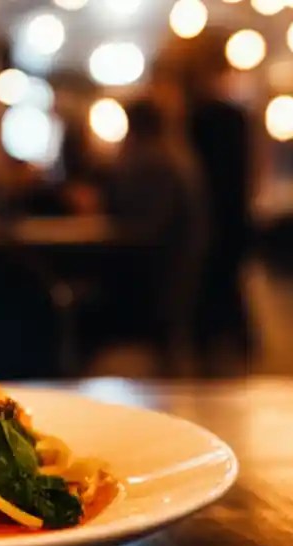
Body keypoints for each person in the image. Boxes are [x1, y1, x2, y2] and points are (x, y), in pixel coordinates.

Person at [106, 97, 208, 375]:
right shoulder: (174, 157)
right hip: (177, 265)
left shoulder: (151, 161)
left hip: (158, 272)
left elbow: (144, 227)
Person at [179, 32, 255, 373]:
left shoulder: (196, 118)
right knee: (225, 287)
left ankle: (215, 356)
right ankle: (229, 354)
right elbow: (247, 173)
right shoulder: (233, 117)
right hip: (231, 216)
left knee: (212, 289)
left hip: (209, 219)